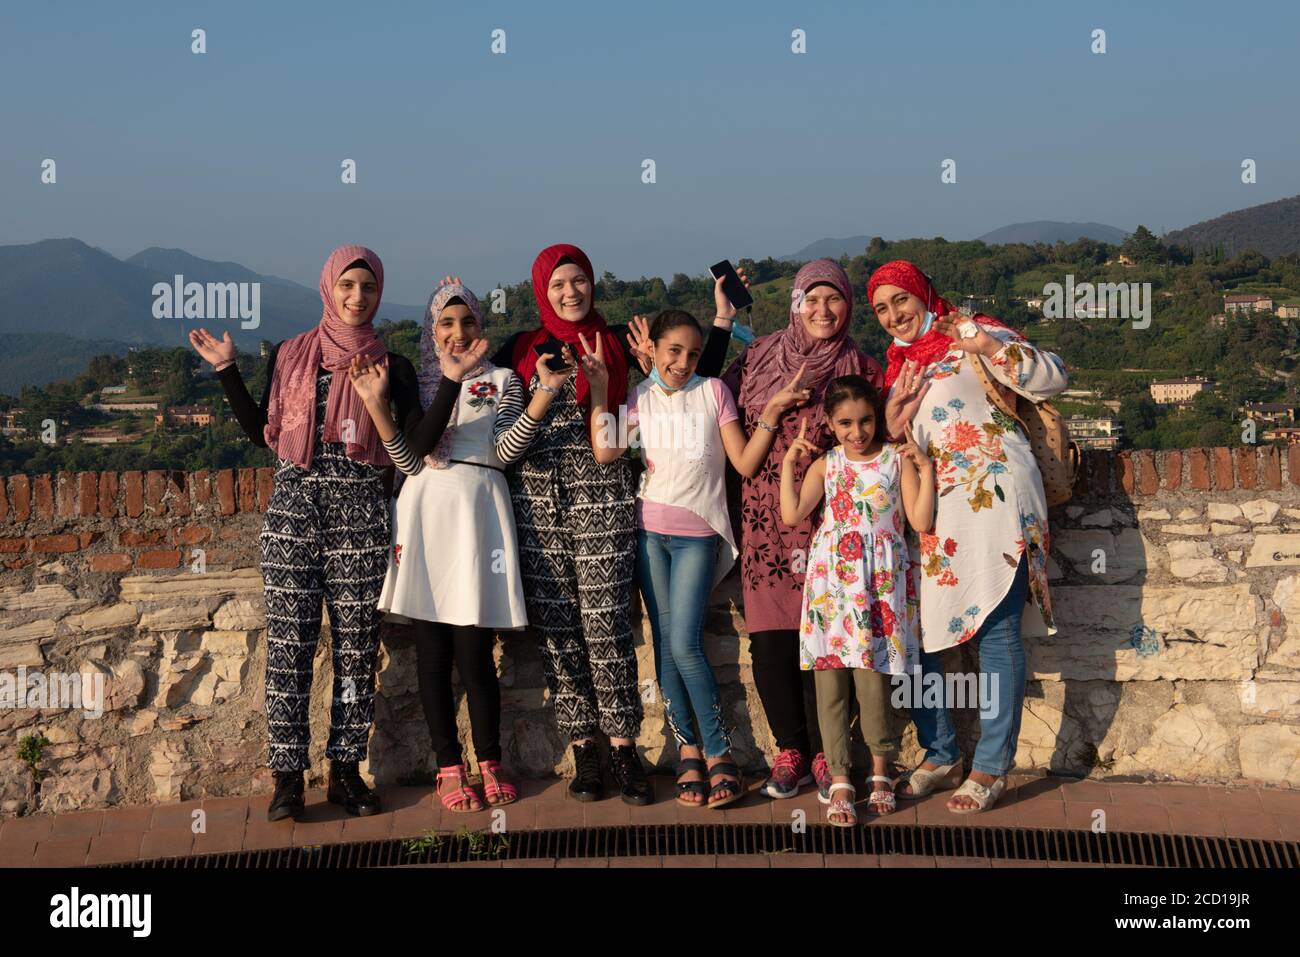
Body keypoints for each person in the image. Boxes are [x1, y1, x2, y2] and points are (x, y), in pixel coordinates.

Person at [491, 243, 734, 804]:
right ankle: (585, 751)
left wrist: (721, 319)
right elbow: (501, 441)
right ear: (541, 291)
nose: (571, 292)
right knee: (560, 633)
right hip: (540, 505)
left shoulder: (623, 338)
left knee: (606, 627)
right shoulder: (521, 350)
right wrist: (543, 393)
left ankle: (623, 748)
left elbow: (691, 377)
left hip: (605, 496)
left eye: (579, 280)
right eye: (558, 284)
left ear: (593, 283)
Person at [189, 245, 416, 821]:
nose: (357, 297)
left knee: (357, 649)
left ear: (379, 293)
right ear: (328, 289)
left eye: (367, 287)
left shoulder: (394, 365)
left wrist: (380, 400)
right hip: (294, 507)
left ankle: (345, 772)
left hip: (362, 508)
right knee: (290, 645)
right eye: (347, 286)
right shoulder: (294, 355)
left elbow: (407, 453)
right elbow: (261, 431)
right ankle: (288, 778)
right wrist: (226, 370)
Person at [348, 279, 570, 811]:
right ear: (433, 329)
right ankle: (450, 768)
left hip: (478, 511)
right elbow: (406, 457)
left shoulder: (500, 380)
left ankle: (490, 760)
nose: (457, 332)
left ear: (480, 326)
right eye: (446, 323)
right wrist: (428, 389)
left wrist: (542, 396)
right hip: (425, 510)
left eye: (467, 321)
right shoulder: (413, 380)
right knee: (433, 653)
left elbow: (506, 451)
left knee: (475, 648)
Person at [583, 296, 809, 808]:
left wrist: (772, 414)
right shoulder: (640, 397)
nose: (682, 362)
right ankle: (688, 751)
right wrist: (600, 389)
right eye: (673, 351)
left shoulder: (713, 393)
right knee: (666, 647)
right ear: (655, 350)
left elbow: (745, 463)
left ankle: (718, 752)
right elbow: (605, 450)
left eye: (691, 352)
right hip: (649, 534)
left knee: (684, 645)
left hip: (697, 535)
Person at [869, 259, 1066, 813]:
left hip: (999, 500)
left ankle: (992, 766)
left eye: (899, 301)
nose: (893, 316)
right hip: (935, 512)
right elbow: (899, 442)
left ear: (922, 293)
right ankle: (941, 751)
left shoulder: (971, 332)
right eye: (881, 309)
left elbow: (1053, 376)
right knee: (929, 633)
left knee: (998, 633)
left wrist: (983, 344)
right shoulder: (897, 367)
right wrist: (893, 417)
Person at [721, 259, 885, 800]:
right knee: (770, 640)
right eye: (811, 299)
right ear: (795, 303)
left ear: (848, 305)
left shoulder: (861, 367)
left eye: (832, 299)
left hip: (832, 524)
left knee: (829, 641)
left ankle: (827, 752)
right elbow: (709, 399)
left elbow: (881, 434)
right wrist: (721, 319)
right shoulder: (760, 357)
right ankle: (790, 748)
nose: (822, 310)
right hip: (766, 519)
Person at [780, 376, 930, 825]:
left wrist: (927, 469)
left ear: (877, 417)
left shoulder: (893, 460)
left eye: (865, 420)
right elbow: (792, 513)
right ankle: (841, 777)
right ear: (830, 422)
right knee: (830, 686)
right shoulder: (826, 465)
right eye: (845, 423)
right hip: (833, 587)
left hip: (880, 586)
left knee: (873, 682)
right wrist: (790, 464)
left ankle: (880, 772)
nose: (857, 432)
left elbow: (919, 520)